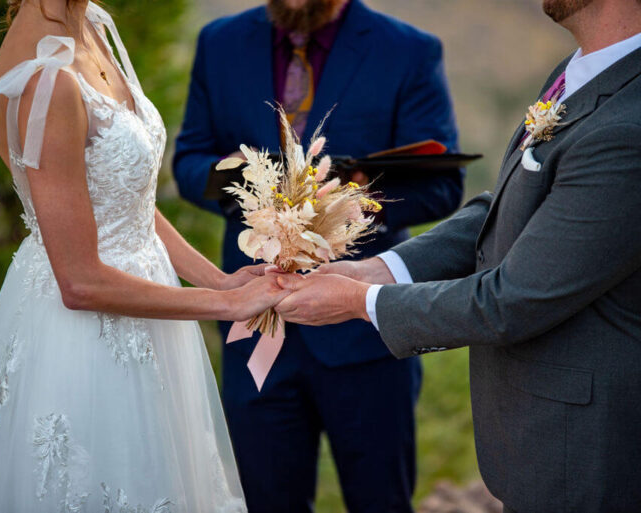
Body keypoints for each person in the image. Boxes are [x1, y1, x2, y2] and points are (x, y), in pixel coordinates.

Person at [274, 0, 641, 511]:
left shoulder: (637, 130)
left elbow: (511, 301)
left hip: (597, 460)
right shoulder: (591, 68)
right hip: (553, 447)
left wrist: (358, 301)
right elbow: (511, 208)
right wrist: (381, 268)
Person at [0, 1, 290, 511]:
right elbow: (80, 283)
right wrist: (227, 306)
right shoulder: (46, 80)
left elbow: (126, 199)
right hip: (85, 339)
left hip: (153, 316)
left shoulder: (89, 25)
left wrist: (218, 279)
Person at [173, 0, 462, 511]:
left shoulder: (409, 51)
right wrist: (245, 185)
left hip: (366, 336)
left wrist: (347, 206)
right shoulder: (219, 42)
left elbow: (443, 187)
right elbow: (189, 160)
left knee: (380, 501)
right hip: (253, 326)